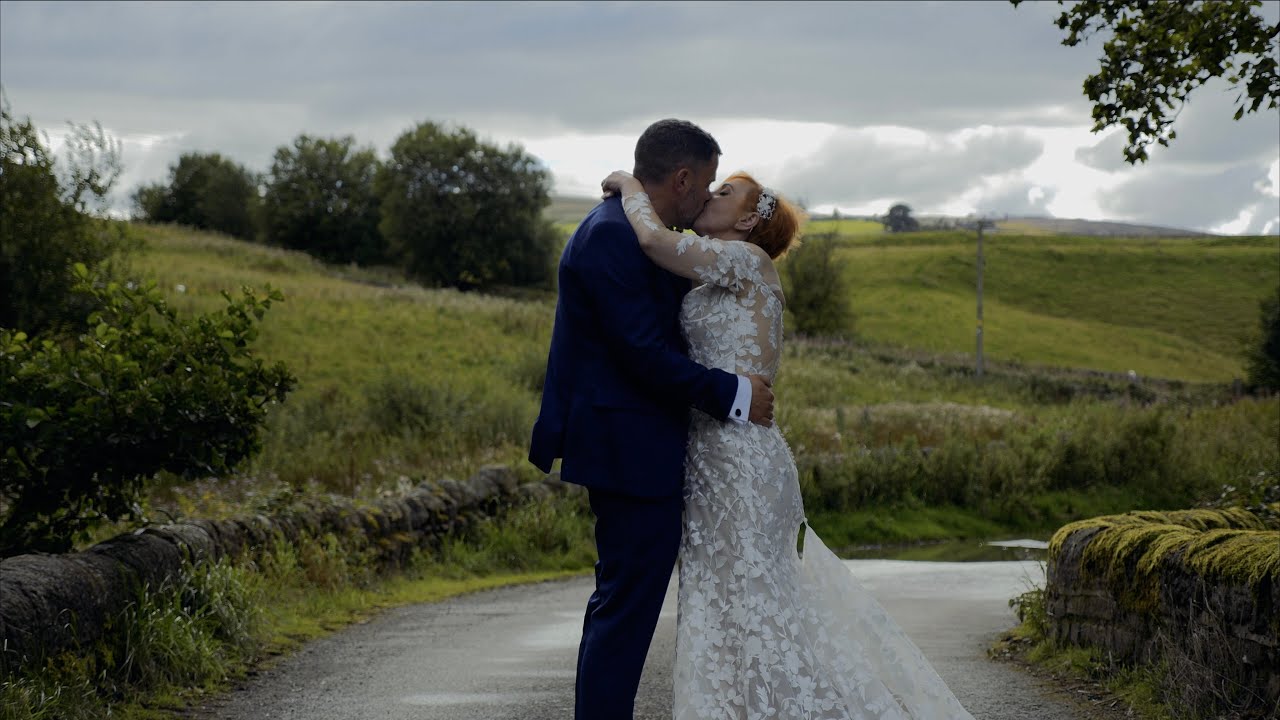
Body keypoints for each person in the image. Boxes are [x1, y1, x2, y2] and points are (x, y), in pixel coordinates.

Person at [600, 168, 977, 720]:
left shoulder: (748, 262)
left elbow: (655, 241)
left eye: (725, 192)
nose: (710, 194)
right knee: (718, 607)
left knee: (754, 607)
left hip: (741, 463)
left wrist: (631, 189)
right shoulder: (712, 274)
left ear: (750, 219)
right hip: (710, 457)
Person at [529, 118, 776, 719]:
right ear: (684, 179)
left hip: (638, 445)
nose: (709, 196)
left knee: (621, 601)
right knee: (625, 607)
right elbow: (641, 353)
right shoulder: (616, 233)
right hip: (629, 448)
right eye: (710, 184)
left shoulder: (622, 225)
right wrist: (736, 394)